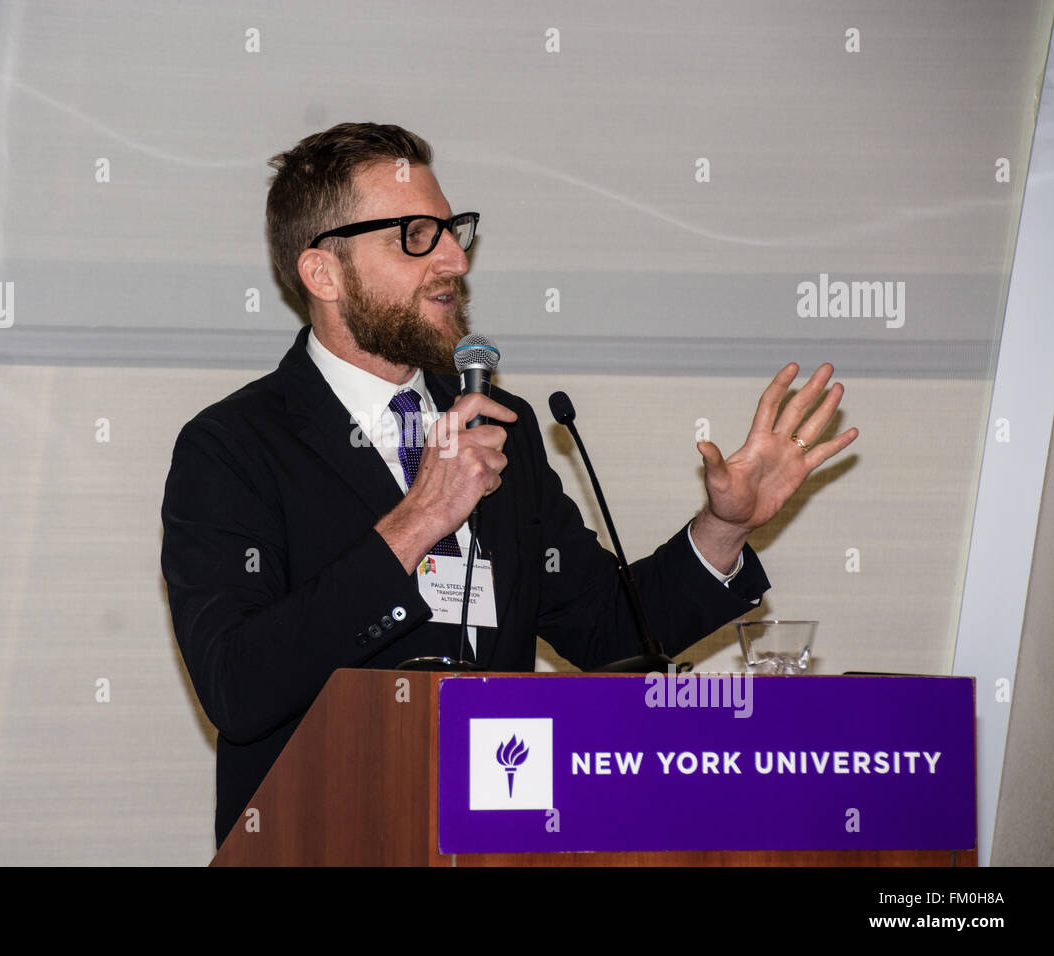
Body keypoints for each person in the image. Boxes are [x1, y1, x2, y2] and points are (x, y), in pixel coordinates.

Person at [160, 123, 858, 848]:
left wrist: (725, 526)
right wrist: (417, 520)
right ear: (323, 274)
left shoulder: (501, 427)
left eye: (453, 231)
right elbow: (238, 687)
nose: (456, 259)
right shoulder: (234, 448)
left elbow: (608, 634)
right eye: (416, 235)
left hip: (500, 841)